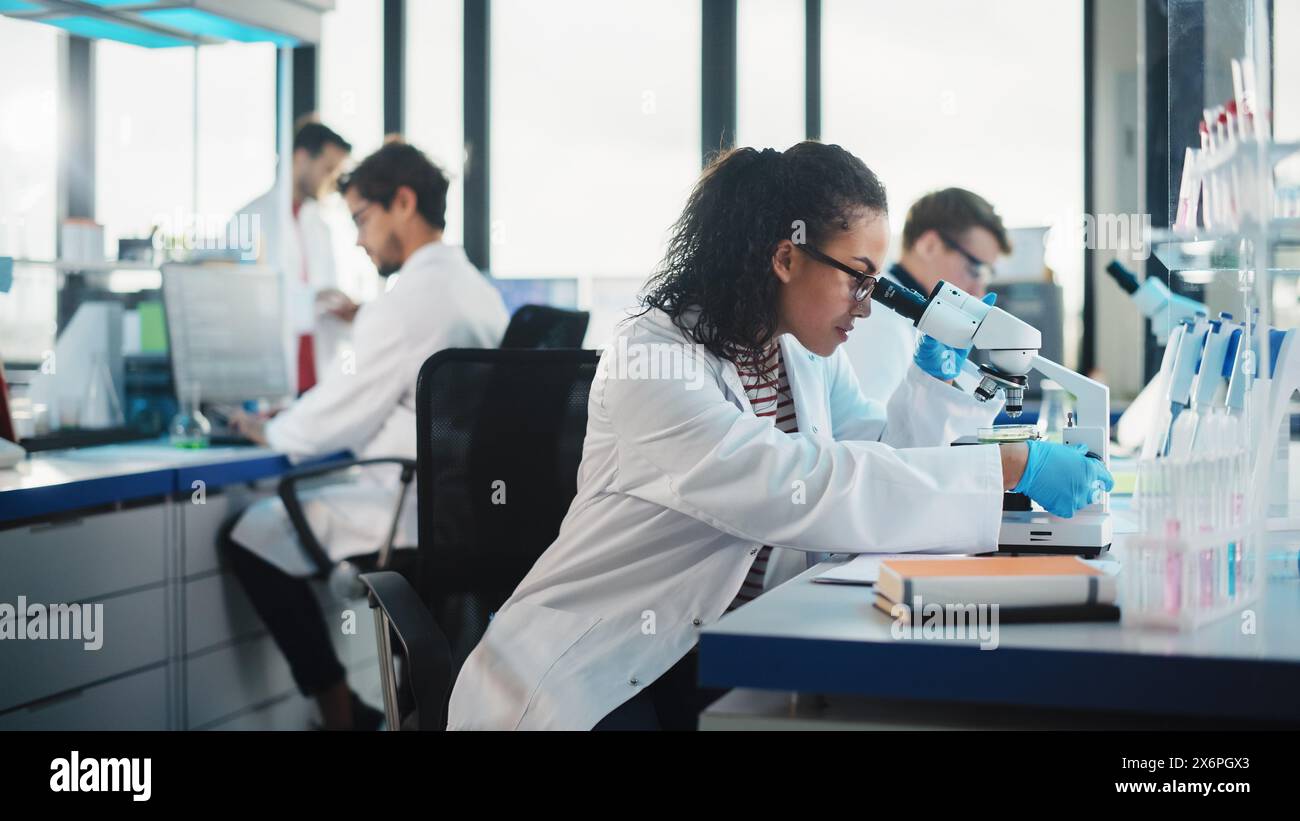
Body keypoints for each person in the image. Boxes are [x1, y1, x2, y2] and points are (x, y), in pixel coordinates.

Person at [446, 143, 1111, 731]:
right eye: (857, 275)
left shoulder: (802, 353)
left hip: (728, 643)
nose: (869, 301)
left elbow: (876, 456)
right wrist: (1006, 467)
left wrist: (932, 390)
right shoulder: (652, 354)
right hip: (602, 659)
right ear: (786, 256)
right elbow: (792, 484)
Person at [223, 142, 510, 730]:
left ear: (402, 203)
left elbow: (333, 422)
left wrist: (268, 429)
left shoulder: (405, 303)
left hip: (405, 511)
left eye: (361, 219)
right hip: (467, 516)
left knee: (249, 533)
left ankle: (336, 708)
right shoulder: (478, 291)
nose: (357, 240)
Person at [841, 187, 1012, 404]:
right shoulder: (879, 321)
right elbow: (880, 435)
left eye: (987, 275)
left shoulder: (913, 323)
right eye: (975, 270)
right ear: (930, 245)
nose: (979, 292)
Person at [231, 121, 359, 395]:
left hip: (317, 373)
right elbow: (246, 304)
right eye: (327, 170)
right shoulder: (251, 219)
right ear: (301, 158)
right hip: (272, 374)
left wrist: (341, 307)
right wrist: (313, 299)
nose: (332, 181)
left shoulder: (321, 226)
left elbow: (324, 295)